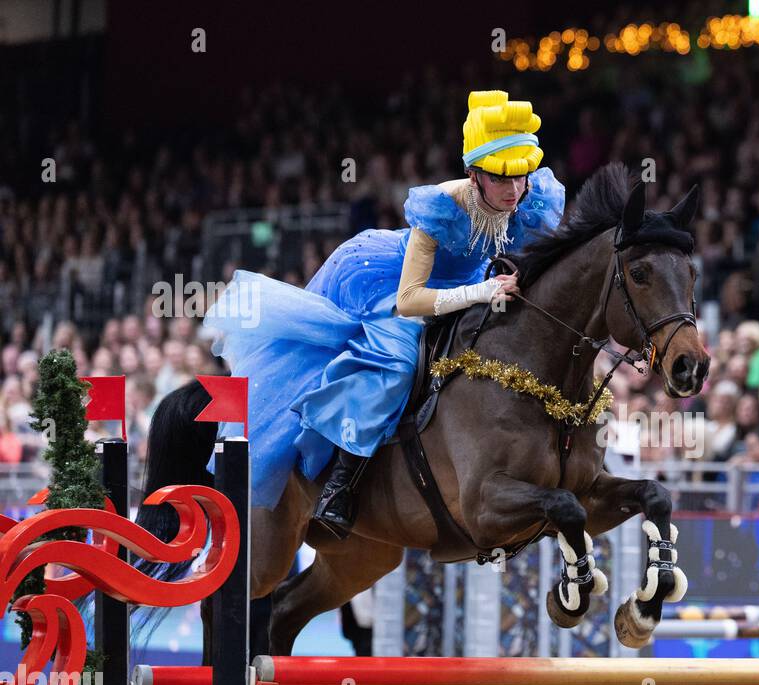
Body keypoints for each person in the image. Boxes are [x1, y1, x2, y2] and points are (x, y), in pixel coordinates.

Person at [204, 91, 565, 538]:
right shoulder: (440, 208)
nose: (514, 191)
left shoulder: (530, 199)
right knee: (394, 363)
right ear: (473, 175)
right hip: (382, 280)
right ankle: (340, 485)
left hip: (468, 286)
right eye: (501, 180)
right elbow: (410, 300)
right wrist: (484, 290)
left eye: (522, 178)